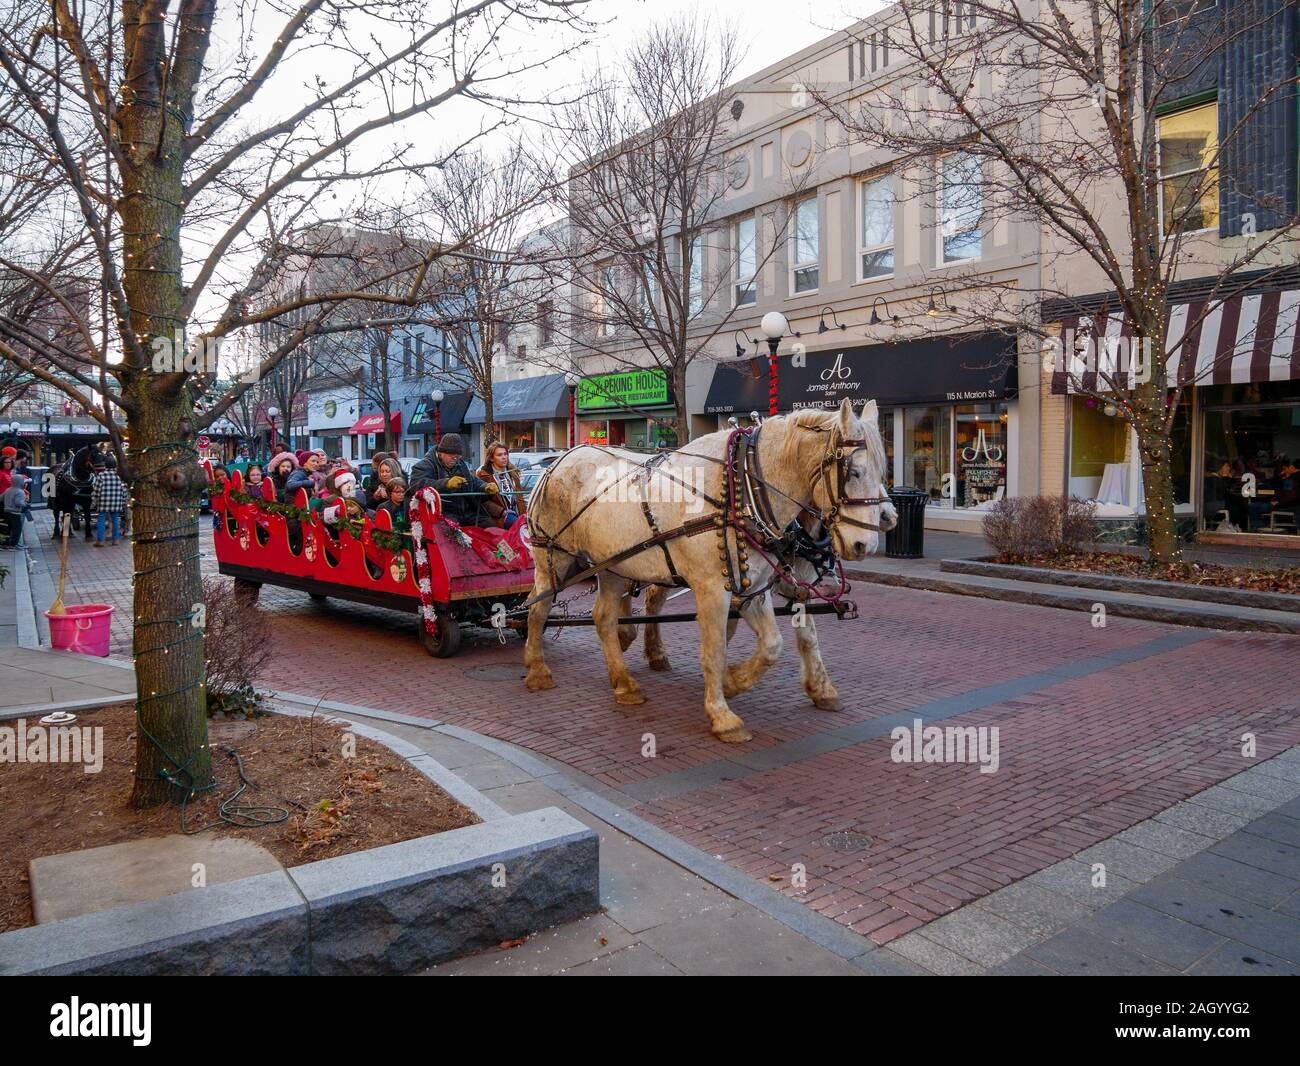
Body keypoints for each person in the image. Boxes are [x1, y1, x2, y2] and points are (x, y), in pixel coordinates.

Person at [408, 433, 498, 526]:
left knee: (489, 524)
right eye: (451, 455)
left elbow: (471, 480)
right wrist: (446, 483)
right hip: (441, 511)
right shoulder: (425, 465)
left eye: (457, 456)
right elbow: (417, 484)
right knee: (451, 530)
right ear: (441, 453)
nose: (455, 459)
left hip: (465, 511)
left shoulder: (460, 464)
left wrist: (485, 486)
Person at [475, 440, 523, 528]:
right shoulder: (484, 475)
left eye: (505, 454)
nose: (504, 457)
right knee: (517, 525)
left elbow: (520, 498)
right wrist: (502, 512)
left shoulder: (513, 473)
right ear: (491, 458)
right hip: (498, 516)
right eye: (499, 455)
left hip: (516, 511)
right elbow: (482, 502)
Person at [90, 458, 128, 547]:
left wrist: (94, 500)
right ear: (115, 465)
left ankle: (100, 541)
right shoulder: (119, 476)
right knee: (115, 520)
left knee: (101, 521)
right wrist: (123, 500)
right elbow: (124, 489)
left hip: (103, 502)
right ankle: (115, 540)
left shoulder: (101, 475)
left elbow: (96, 490)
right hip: (116, 502)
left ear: (105, 465)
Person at [1, 473, 30, 548]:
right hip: (15, 513)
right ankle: (14, 545)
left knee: (8, 529)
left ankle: (6, 544)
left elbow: (1, 498)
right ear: (20, 482)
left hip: (6, 512)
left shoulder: (8, 490)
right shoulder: (20, 492)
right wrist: (25, 504)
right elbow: (18, 502)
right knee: (17, 529)